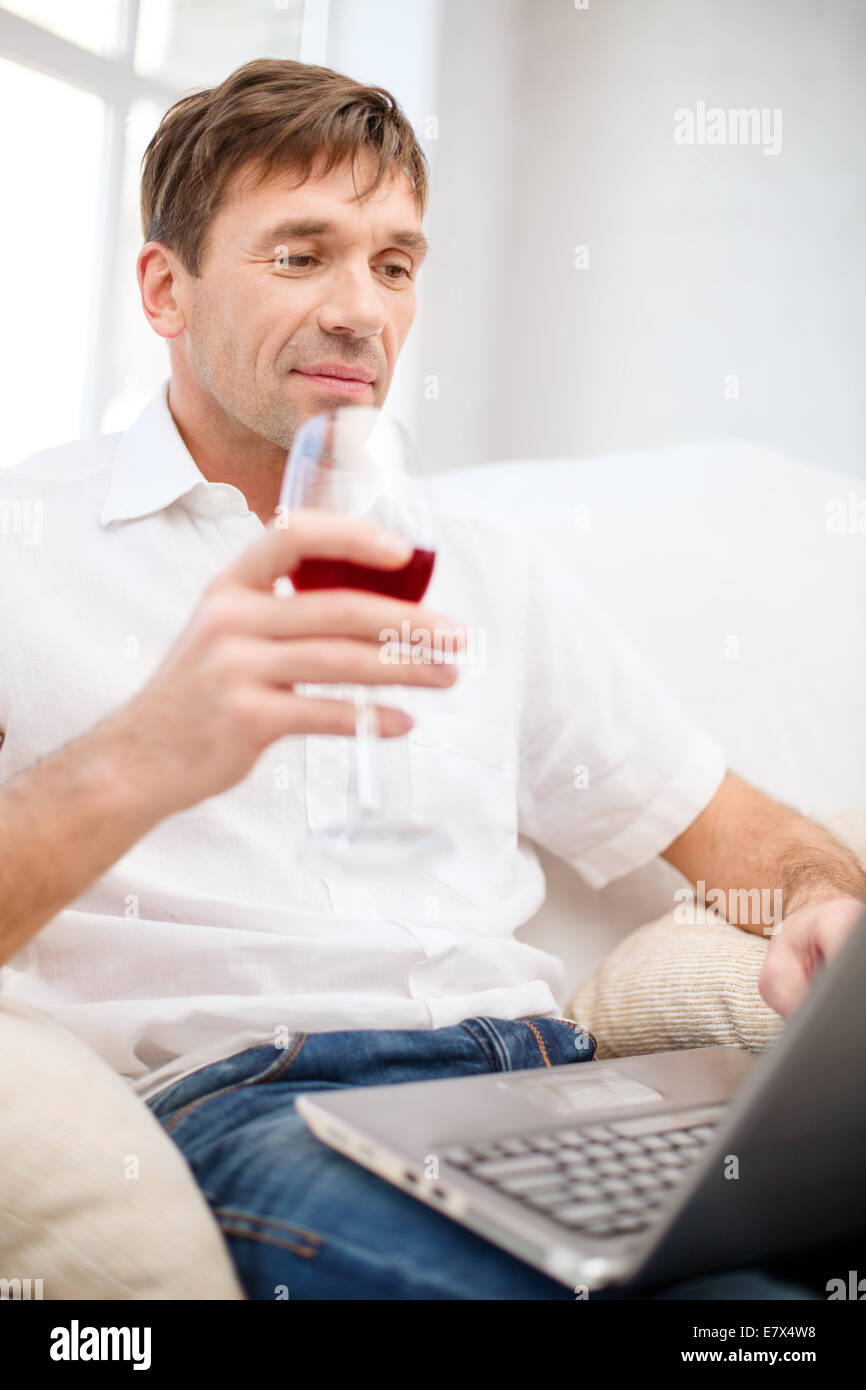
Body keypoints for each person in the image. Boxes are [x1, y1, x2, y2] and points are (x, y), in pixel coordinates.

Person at [0, 58, 862, 1301]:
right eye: (301, 254)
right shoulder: (28, 546)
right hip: (270, 1109)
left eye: (394, 264)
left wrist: (820, 913)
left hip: (549, 1083)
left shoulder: (481, 564)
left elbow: (750, 841)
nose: (363, 310)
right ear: (163, 288)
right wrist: (146, 755)